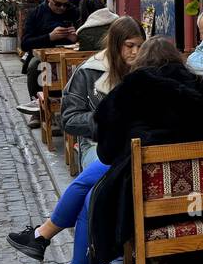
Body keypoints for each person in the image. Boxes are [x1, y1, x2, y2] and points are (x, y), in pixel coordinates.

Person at [7, 35, 203, 264]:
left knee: (91, 196)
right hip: (196, 197)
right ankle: (42, 238)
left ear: (144, 61)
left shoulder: (131, 89)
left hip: (138, 199)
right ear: (178, 60)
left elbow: (106, 151)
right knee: (91, 185)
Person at [61, 15, 144, 168]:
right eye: (130, 45)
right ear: (115, 45)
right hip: (96, 144)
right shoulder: (88, 71)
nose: (135, 52)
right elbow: (69, 119)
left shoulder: (146, 70)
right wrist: (106, 120)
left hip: (138, 144)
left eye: (140, 46)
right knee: (108, 171)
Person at [18, 0, 80, 124]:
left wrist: (76, 37)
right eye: (58, 4)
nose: (62, 8)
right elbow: (25, 43)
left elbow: (83, 34)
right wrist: (49, 37)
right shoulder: (37, 14)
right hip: (44, 57)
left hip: (67, 55)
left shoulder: (73, 11)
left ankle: (72, 108)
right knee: (35, 66)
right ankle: (38, 108)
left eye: (66, 4)